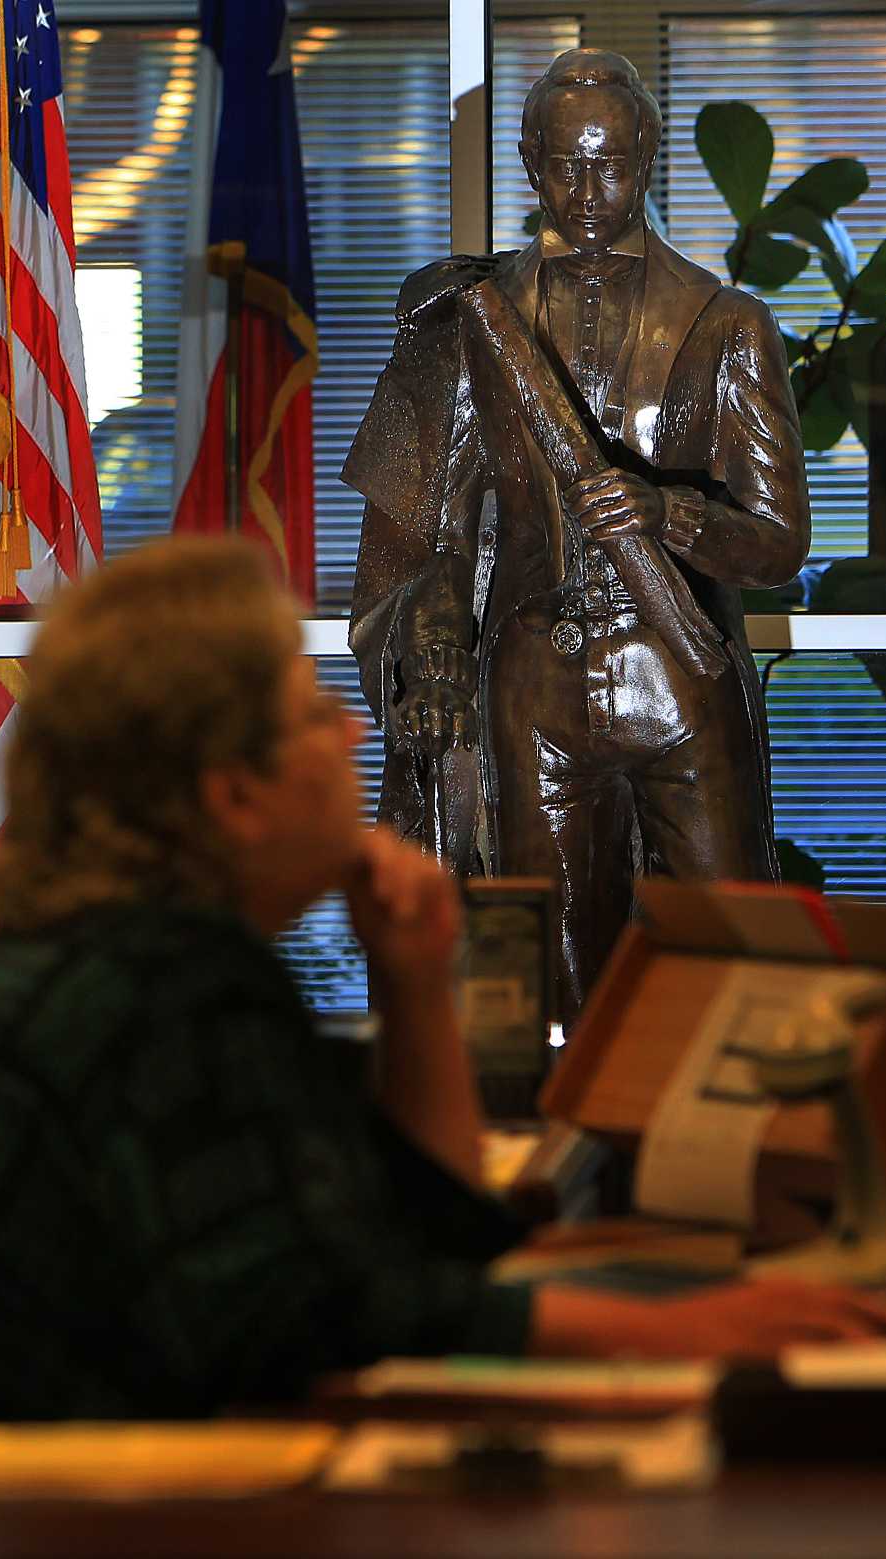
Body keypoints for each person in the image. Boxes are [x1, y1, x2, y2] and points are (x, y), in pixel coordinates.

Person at [0, 537, 886, 1424]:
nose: (352, 729)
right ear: (233, 794)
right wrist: (671, 1332)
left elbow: (417, 1240)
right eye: (311, 715)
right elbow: (317, 1314)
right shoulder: (154, 996)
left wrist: (411, 979)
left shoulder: (120, 964)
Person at [346, 49, 809, 1024]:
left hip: (679, 680)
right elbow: (437, 534)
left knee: (718, 966)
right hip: (532, 688)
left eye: (610, 164)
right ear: (527, 162)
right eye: (563, 165)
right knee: (544, 980)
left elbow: (776, 544)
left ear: (646, 159)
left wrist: (668, 513)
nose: (587, 191)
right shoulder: (473, 320)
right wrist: (433, 657)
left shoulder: (726, 325)